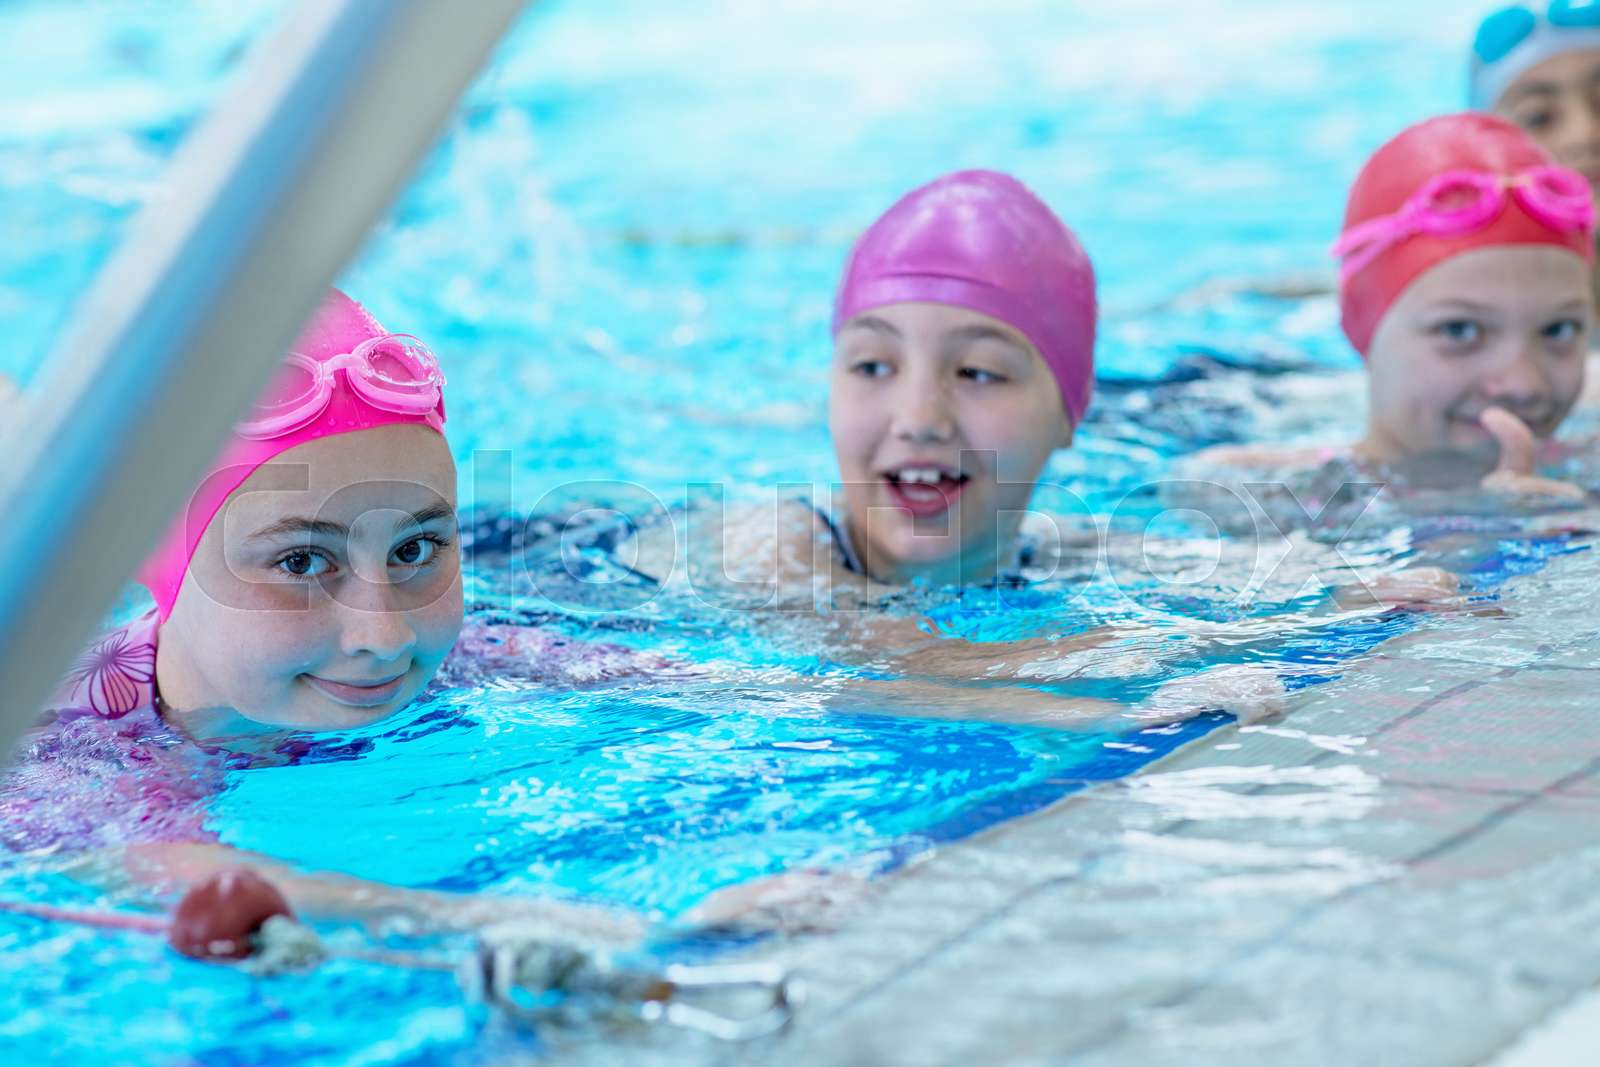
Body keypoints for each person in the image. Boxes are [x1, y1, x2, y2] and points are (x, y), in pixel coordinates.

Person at [1195, 113, 1595, 502]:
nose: (1523, 384)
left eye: (1558, 329)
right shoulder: (1254, 495)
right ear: (1359, 324)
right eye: (1460, 330)